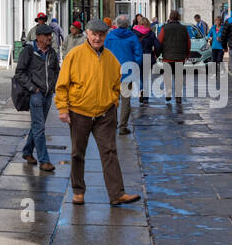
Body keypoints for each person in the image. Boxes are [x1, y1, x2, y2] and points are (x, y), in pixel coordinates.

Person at [55, 20, 141, 207]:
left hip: (104, 114)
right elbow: (62, 84)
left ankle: (117, 194)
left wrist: (113, 102)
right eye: (94, 34)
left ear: (106, 36)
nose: (97, 38)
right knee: (78, 153)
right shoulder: (75, 55)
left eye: (101, 35)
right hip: (79, 112)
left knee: (109, 152)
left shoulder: (110, 58)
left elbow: (116, 84)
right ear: (87, 33)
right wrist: (63, 109)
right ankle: (78, 191)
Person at [14, 23, 61, 171]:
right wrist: (33, 88)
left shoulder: (52, 53)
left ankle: (27, 152)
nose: (50, 37)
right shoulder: (28, 51)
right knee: (39, 127)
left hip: (48, 94)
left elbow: (56, 71)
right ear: (38, 37)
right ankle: (44, 161)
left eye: (50, 35)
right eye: (47, 35)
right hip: (35, 94)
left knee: (37, 126)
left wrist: (53, 86)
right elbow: (19, 73)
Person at [104, 14, 142, 134]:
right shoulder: (133, 37)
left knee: (112, 100)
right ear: (128, 25)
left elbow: (102, 52)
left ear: (116, 24)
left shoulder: (109, 37)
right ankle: (122, 127)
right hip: (127, 72)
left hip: (112, 72)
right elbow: (139, 55)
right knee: (126, 101)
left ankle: (112, 124)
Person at [158, 9, 192, 106]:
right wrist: (187, 54)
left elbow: (159, 41)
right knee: (178, 77)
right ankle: (178, 97)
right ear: (178, 17)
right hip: (180, 57)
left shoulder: (165, 28)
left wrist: (158, 53)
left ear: (170, 17)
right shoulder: (183, 29)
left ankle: (168, 93)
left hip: (167, 57)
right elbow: (188, 43)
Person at [132, 14, 159, 104]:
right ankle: (146, 97)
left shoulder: (134, 33)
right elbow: (158, 45)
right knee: (146, 77)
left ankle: (141, 90)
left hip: (137, 56)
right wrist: (155, 55)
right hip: (148, 56)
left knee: (139, 76)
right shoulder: (151, 34)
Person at [208, 15, 225, 86]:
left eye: (219, 20)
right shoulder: (213, 28)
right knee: (213, 61)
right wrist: (209, 37)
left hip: (221, 47)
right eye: (216, 20)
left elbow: (226, 36)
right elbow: (209, 34)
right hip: (214, 47)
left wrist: (221, 39)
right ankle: (214, 74)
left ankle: (222, 72)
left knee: (219, 60)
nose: (217, 22)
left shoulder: (223, 28)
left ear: (221, 21)